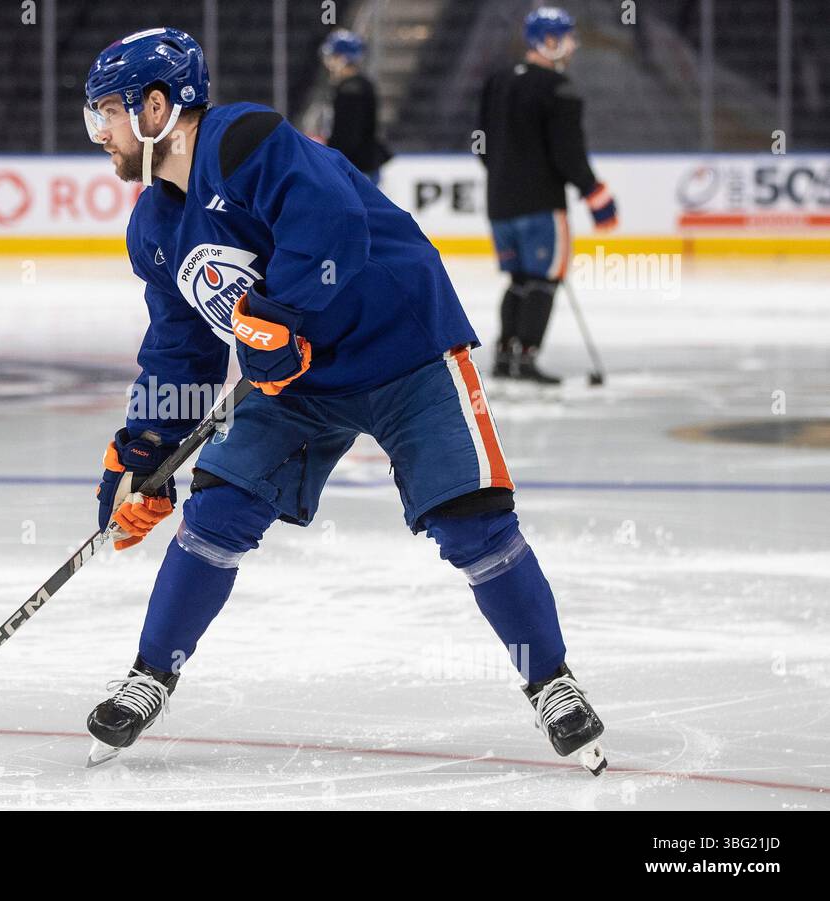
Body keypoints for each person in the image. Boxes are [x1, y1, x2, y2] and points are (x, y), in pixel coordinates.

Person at [81, 26, 606, 774]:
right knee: (217, 511)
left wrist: (283, 315)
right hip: (295, 384)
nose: (99, 133)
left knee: (473, 524)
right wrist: (144, 449)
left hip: (404, 349)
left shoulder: (246, 139)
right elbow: (181, 346)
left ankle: (552, 682)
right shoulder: (155, 228)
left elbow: (331, 223)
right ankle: (148, 675)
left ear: (157, 107)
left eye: (106, 112)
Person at [477, 7, 618, 383]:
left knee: (518, 280)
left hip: (500, 204)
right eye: (567, 38)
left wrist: (506, 177)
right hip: (541, 206)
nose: (573, 47)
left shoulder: (498, 81)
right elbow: (568, 156)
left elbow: (481, 145)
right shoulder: (560, 90)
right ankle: (525, 358)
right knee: (542, 281)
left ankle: (505, 355)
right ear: (550, 41)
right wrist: (597, 196)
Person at [318, 29, 390, 185]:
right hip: (357, 165)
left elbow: (349, 135)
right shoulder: (350, 86)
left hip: (356, 167)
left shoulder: (352, 89)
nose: (328, 61)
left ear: (343, 58)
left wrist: (336, 162)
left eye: (333, 56)